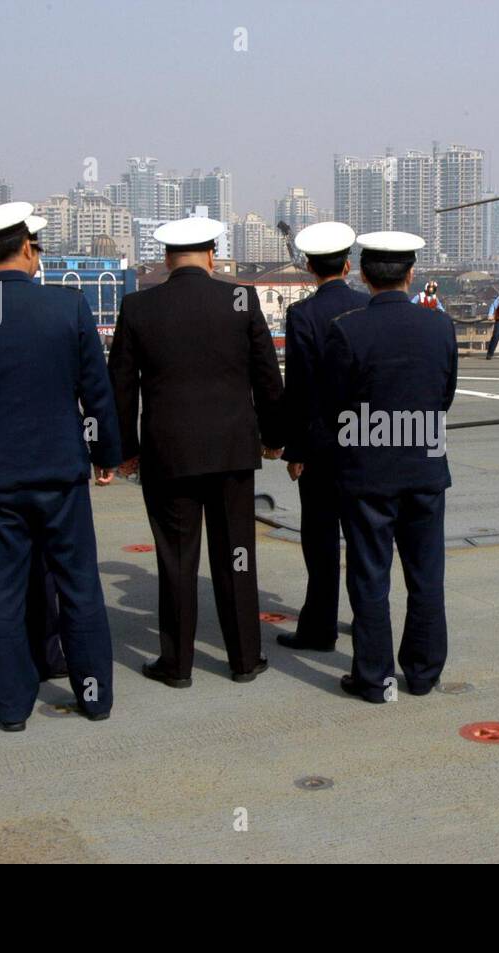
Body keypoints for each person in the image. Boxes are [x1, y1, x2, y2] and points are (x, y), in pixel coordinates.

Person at [0, 202, 120, 731]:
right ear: (27, 249)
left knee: (3, 589)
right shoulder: (69, 308)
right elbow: (97, 393)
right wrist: (105, 454)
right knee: (79, 583)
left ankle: (11, 706)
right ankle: (94, 696)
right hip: (61, 471)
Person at [109, 217, 284, 688]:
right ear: (211, 256)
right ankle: (245, 658)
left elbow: (120, 388)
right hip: (231, 452)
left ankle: (177, 665)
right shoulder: (240, 300)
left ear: (167, 259)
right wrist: (274, 437)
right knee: (238, 555)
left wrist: (123, 451)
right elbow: (268, 377)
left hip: (169, 455)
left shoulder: (138, 306)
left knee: (177, 560)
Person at [322, 230, 457, 703]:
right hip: (423, 465)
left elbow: (336, 408)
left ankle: (374, 678)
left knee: (369, 578)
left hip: (368, 472)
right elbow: (444, 397)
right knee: (425, 576)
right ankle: (422, 674)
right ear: (411, 274)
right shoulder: (440, 327)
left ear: (362, 275)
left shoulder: (347, 329)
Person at [279, 221, 368, 652]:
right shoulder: (369, 306)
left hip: (318, 444)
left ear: (311, 267)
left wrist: (294, 448)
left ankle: (319, 628)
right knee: (363, 537)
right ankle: (366, 619)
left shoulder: (303, 315)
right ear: (348, 265)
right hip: (366, 440)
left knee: (320, 539)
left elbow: (299, 387)